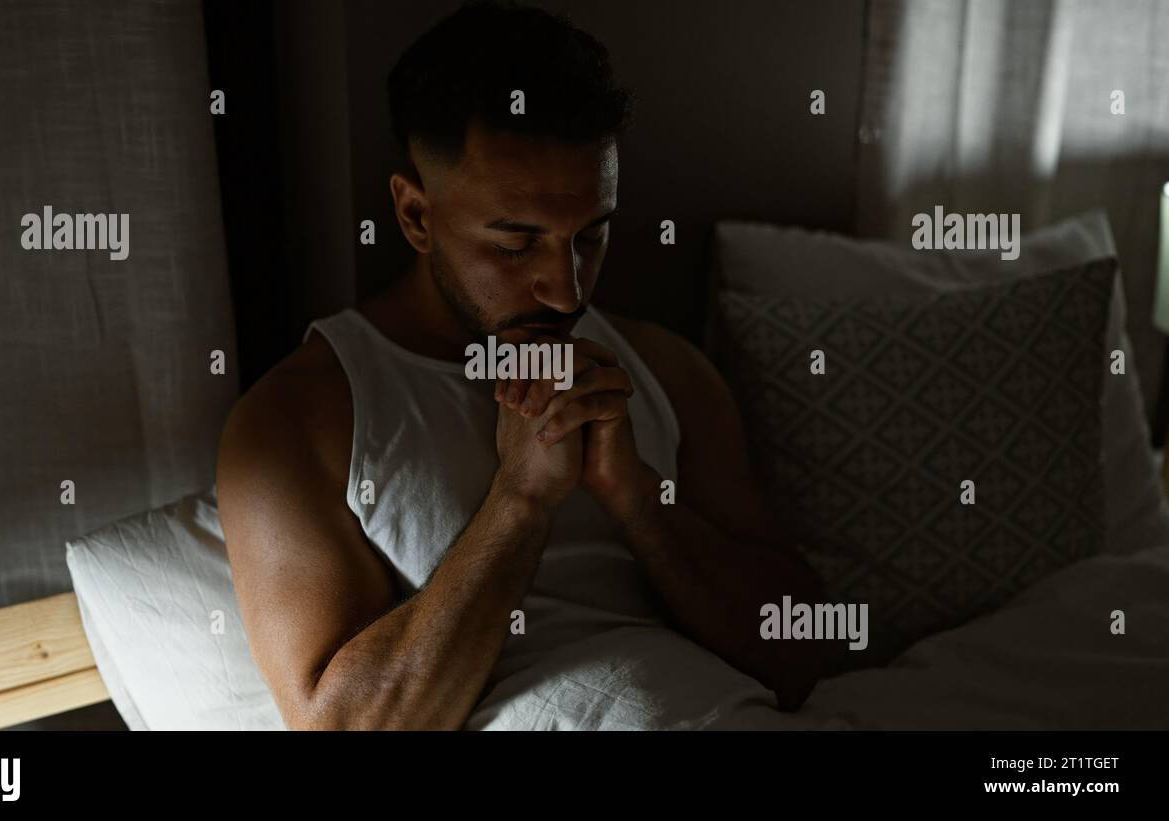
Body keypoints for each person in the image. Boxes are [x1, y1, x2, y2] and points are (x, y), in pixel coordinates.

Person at [216, 0, 836, 730]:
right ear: (415, 215)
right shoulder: (296, 421)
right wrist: (519, 502)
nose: (567, 288)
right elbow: (346, 727)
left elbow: (811, 653)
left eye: (591, 236)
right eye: (516, 245)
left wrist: (636, 498)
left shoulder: (667, 370)